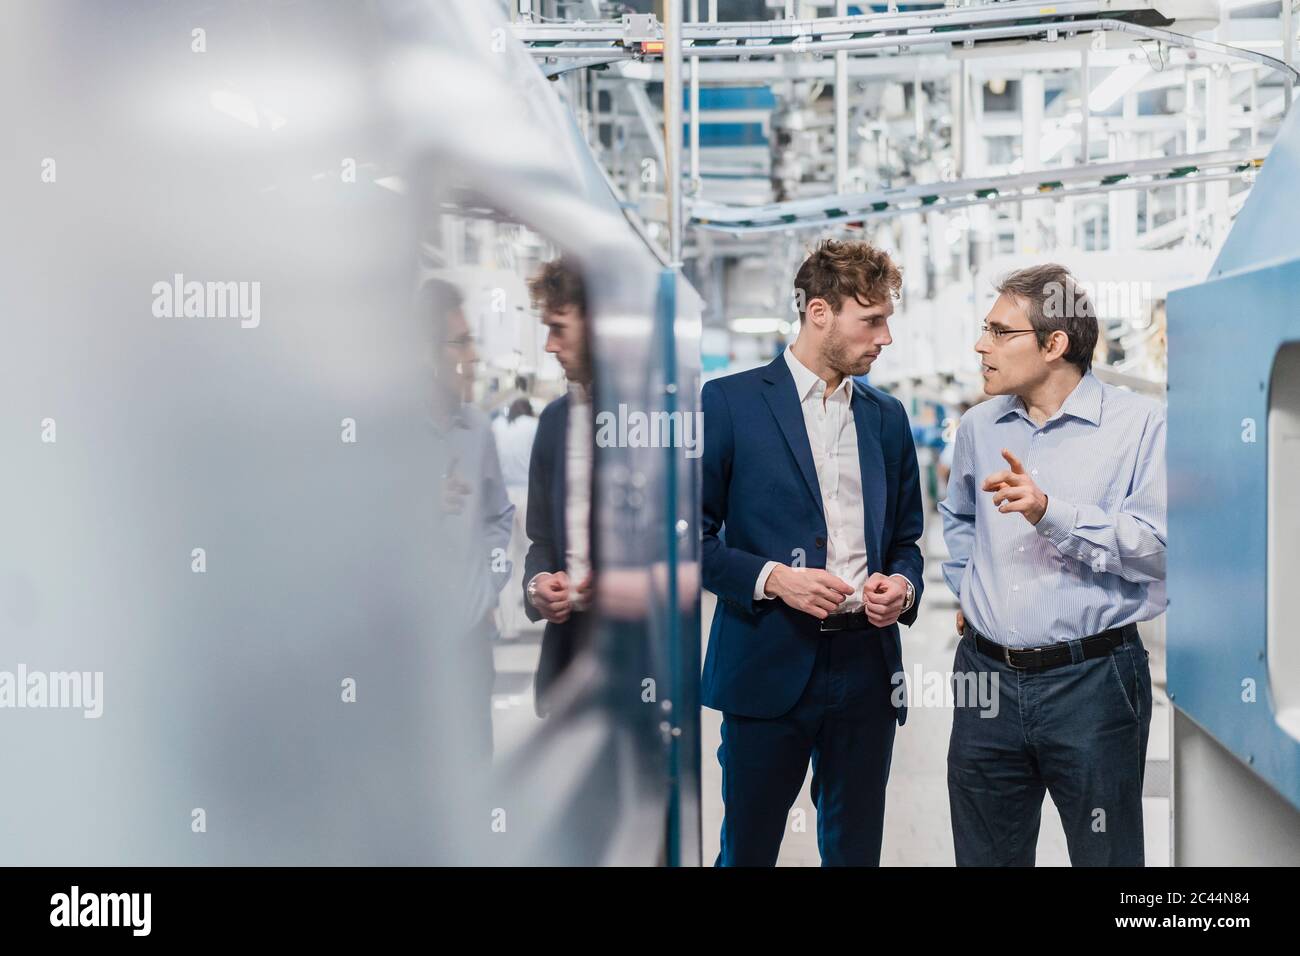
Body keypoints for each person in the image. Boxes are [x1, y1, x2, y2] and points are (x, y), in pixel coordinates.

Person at [701, 238, 925, 866]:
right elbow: (686, 539)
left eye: (887, 320)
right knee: (748, 852)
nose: (885, 337)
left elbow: (907, 538)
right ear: (819, 312)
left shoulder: (887, 417)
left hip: (865, 664)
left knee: (854, 855)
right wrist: (774, 579)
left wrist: (902, 587)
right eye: (872, 320)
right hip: (768, 660)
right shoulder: (730, 403)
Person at [939, 263, 1166, 866]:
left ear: (1054, 344)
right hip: (984, 679)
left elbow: (1159, 548)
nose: (980, 345)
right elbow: (959, 516)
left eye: (998, 331)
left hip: (1091, 682)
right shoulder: (979, 426)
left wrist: (1050, 512)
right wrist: (970, 591)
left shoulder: (1139, 425)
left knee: (1106, 857)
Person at [425, 277, 515, 760]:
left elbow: (499, 518)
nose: (473, 356)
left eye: (472, 340)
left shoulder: (477, 429)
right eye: (460, 342)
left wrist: (488, 587)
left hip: (469, 643)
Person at [521, 258, 593, 718]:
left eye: (559, 328)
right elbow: (541, 539)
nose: (549, 346)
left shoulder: (659, 423)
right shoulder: (554, 422)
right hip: (565, 659)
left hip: (637, 663)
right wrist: (538, 585)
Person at [495, 398, 539, 640]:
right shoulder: (533, 426)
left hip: (503, 497)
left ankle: (508, 626)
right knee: (531, 551)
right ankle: (531, 601)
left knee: (505, 559)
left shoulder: (498, 426)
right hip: (527, 495)